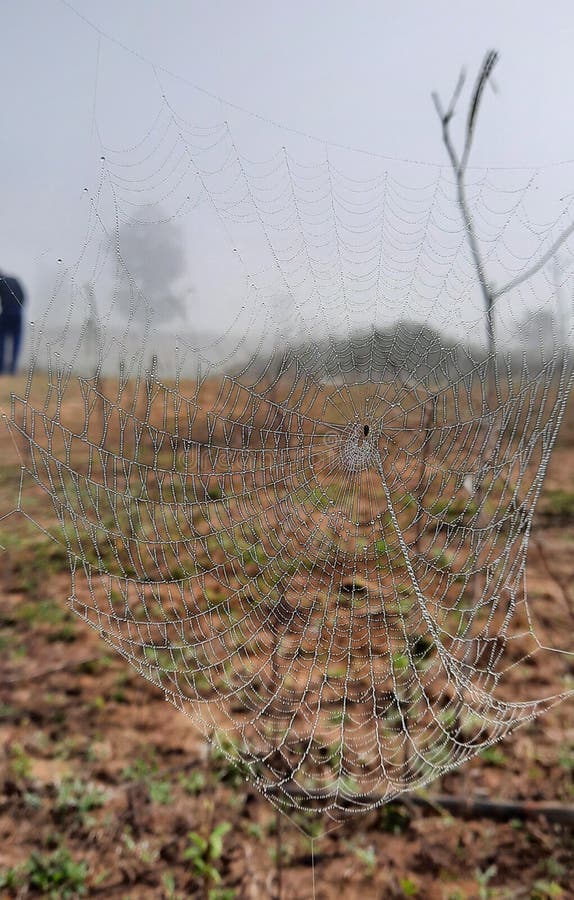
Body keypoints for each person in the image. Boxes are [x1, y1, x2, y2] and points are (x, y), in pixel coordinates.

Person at [0, 271, 26, 375]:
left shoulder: (1, 282)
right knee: (17, 341)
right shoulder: (14, 280)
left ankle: (1, 368)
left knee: (2, 341)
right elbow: (23, 296)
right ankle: (13, 369)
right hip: (18, 313)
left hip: (6, 313)